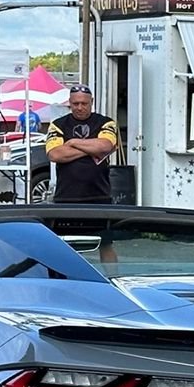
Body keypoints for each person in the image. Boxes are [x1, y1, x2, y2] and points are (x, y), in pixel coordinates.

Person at [46, 83, 122, 262]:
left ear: (92, 102)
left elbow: (106, 145)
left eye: (84, 104)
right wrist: (91, 148)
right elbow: (55, 154)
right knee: (64, 245)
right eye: (75, 104)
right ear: (70, 104)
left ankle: (111, 277)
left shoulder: (105, 122)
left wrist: (71, 142)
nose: (80, 107)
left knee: (106, 243)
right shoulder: (57, 125)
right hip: (66, 196)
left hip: (99, 195)